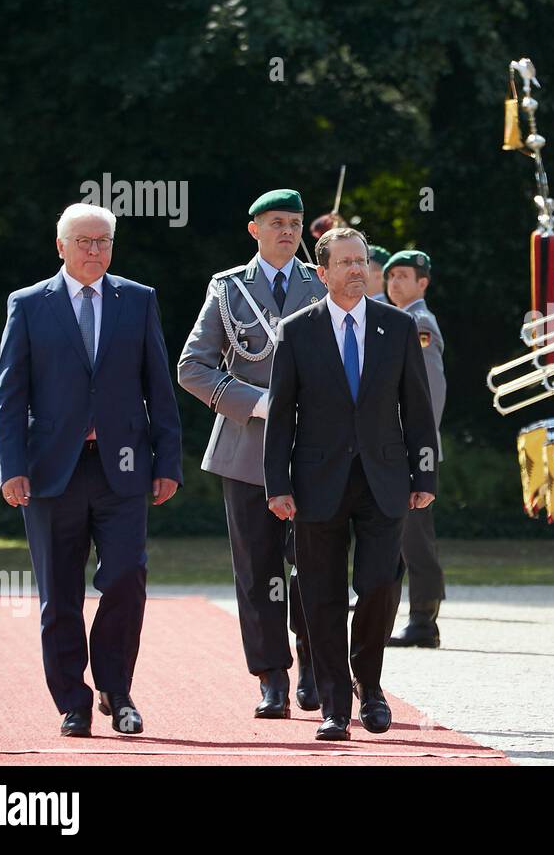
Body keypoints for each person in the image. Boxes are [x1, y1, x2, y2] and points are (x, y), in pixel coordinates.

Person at [0, 203, 182, 737]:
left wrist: (167, 461)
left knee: (126, 578)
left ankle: (117, 690)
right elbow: (9, 394)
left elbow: (159, 388)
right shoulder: (28, 305)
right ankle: (72, 702)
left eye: (103, 241)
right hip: (52, 471)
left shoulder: (138, 300)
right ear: (61, 247)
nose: (94, 250)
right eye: (83, 241)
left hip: (123, 470)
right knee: (60, 594)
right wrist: (12, 466)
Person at [263, 227, 438, 741]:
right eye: (345, 262)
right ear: (323, 273)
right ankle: (335, 706)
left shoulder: (399, 327)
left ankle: (371, 687)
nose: (358, 270)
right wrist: (278, 483)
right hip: (317, 483)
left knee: (380, 587)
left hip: (385, 480)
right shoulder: (297, 331)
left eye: (362, 261)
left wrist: (424, 472)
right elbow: (281, 417)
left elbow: (418, 409)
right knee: (321, 594)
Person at [177, 188, 326, 718]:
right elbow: (192, 367)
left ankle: (314, 661)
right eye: (275, 222)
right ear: (254, 230)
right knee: (256, 565)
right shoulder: (228, 288)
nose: (287, 231)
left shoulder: (322, 282)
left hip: (315, 449)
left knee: (314, 561)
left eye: (294, 222)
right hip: (246, 447)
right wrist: (256, 402)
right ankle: (271, 676)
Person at [383, 250, 448, 648]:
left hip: (412, 448)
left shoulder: (419, 322)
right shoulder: (397, 319)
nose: (394, 284)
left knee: (415, 538)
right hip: (397, 447)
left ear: (423, 283)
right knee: (399, 536)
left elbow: (431, 391)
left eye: (403, 276)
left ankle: (424, 619)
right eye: (390, 276)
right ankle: (411, 617)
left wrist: (416, 444)